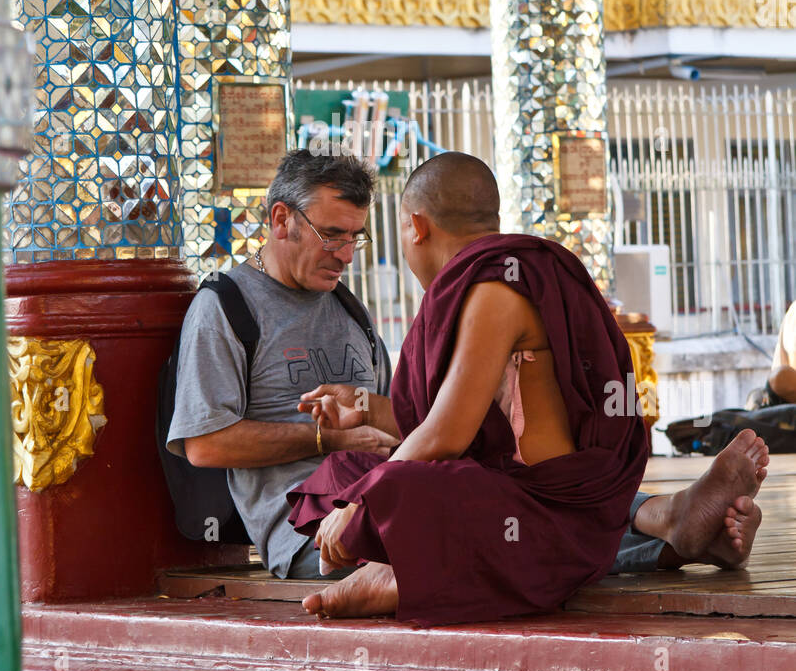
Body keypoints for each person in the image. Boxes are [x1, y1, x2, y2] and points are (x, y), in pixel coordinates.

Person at [286, 153, 767, 623]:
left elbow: (447, 437)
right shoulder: (515, 272)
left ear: (416, 226)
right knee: (345, 468)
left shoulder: (493, 290)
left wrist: (363, 502)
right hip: (558, 505)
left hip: (537, 508)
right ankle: (680, 531)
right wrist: (368, 410)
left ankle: (396, 571)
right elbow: (469, 422)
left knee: (399, 486)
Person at [165, 150, 397, 579]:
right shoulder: (225, 307)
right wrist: (329, 439)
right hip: (309, 533)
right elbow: (203, 445)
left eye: (354, 238)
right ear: (280, 219)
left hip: (381, 500)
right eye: (331, 235)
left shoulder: (351, 310)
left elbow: (394, 415)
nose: (345, 256)